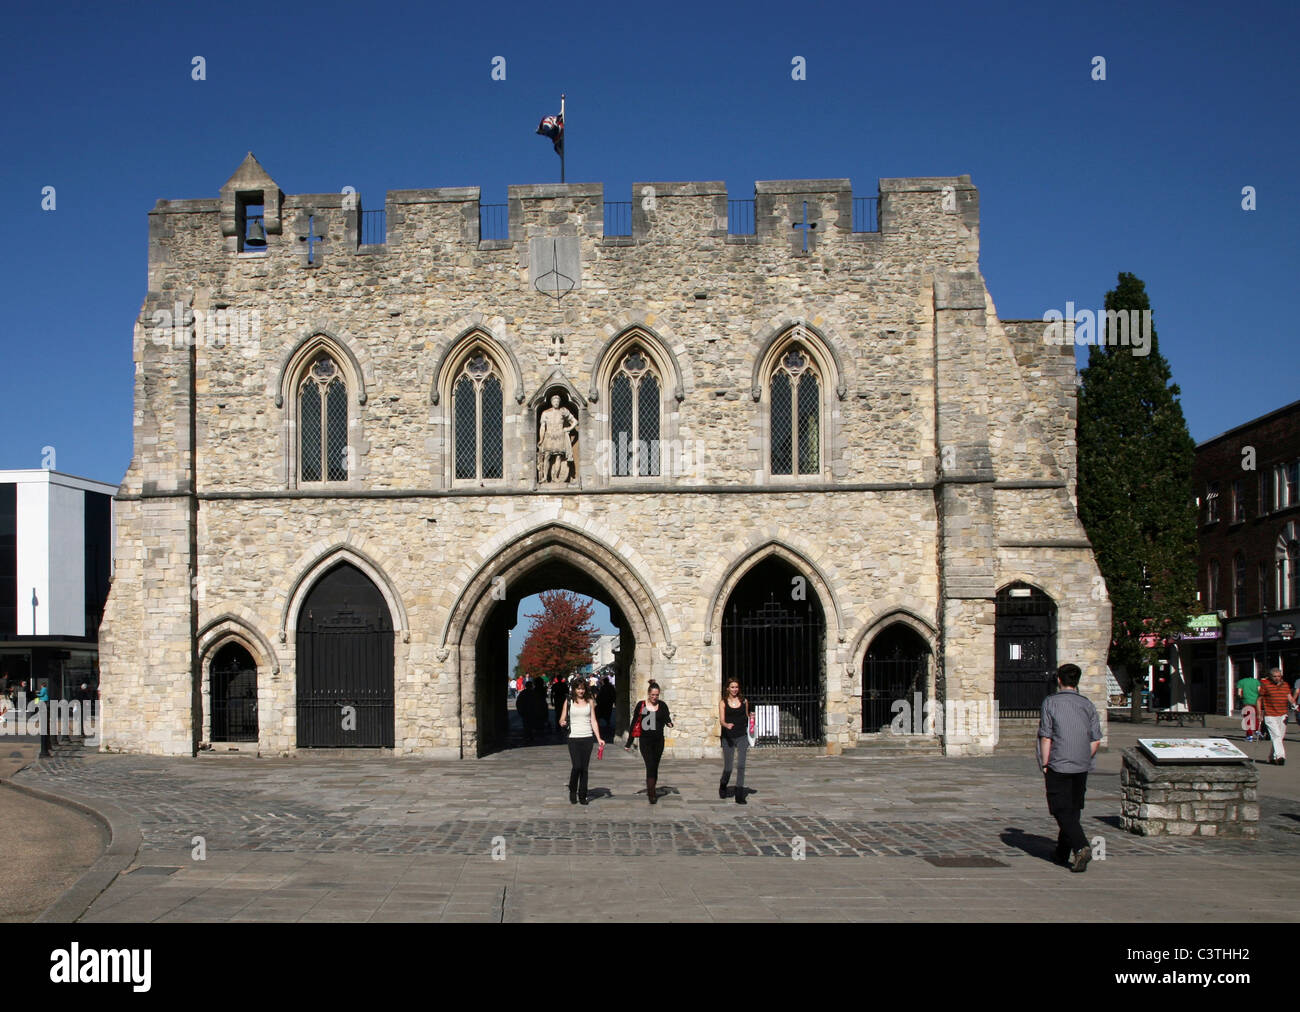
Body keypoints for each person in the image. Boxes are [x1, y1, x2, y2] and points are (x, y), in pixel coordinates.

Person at [1037, 663, 1102, 872]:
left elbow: (1046, 736)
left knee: (1060, 808)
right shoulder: (1087, 704)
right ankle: (1061, 852)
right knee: (1073, 808)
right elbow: (1095, 740)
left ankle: (1081, 846)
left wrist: (1045, 763)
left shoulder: (1051, 703)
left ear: (1059, 680)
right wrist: (1083, 756)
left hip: (1059, 762)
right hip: (1082, 764)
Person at [626, 680, 673, 804]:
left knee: (655, 766)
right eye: (652, 695)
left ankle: (651, 787)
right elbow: (634, 723)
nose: (655, 697)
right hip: (645, 741)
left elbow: (666, 717)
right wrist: (629, 742)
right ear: (648, 694)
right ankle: (652, 794)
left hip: (658, 741)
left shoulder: (662, 705)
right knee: (650, 765)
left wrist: (669, 723)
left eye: (657, 695)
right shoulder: (641, 705)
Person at [559, 679, 604, 804]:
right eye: (578, 688)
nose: (581, 691)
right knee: (577, 766)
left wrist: (599, 738)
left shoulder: (590, 701)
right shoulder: (568, 701)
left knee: (584, 768)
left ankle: (583, 794)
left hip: (587, 737)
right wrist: (562, 722)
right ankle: (573, 789)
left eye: (583, 688)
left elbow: (593, 721)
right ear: (574, 689)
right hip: (573, 737)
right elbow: (562, 718)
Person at [719, 679, 751, 804]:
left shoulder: (744, 701)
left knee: (741, 765)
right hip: (728, 737)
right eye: (732, 687)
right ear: (727, 688)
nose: (734, 689)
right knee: (728, 768)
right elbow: (721, 720)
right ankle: (723, 784)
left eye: (736, 687)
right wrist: (726, 725)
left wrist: (751, 718)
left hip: (742, 736)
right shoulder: (723, 702)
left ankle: (739, 794)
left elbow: (747, 716)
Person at [1257, 667, 1295, 766]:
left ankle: (1271, 757)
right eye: (1274, 676)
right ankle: (1280, 756)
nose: (1277, 678)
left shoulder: (1285, 685)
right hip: (1270, 714)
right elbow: (1259, 700)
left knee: (1279, 738)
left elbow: (1289, 697)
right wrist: (1259, 713)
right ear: (1270, 676)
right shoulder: (1265, 685)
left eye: (1279, 676)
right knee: (1276, 736)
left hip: (1283, 714)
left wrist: (1295, 705)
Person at [1237, 670, 1262, 741]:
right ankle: (1257, 730)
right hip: (1256, 702)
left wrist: (1241, 698)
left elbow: (1239, 693)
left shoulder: (1241, 682)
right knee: (1256, 717)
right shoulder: (1256, 681)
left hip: (1246, 702)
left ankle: (1249, 735)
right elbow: (1259, 691)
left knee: (1248, 719)